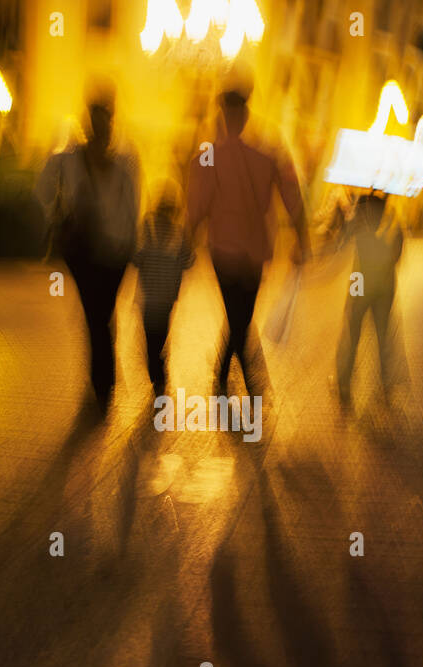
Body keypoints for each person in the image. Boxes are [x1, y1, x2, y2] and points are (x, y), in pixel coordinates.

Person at [186, 66, 311, 402]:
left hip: (224, 249)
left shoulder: (208, 156)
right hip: (254, 249)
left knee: (237, 316)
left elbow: (198, 205)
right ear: (246, 111)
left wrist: (187, 238)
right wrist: (303, 237)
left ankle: (225, 376)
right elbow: (293, 196)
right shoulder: (268, 151)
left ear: (225, 113)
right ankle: (246, 381)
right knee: (240, 315)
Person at [35, 78, 141, 417]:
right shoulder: (69, 159)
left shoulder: (125, 161)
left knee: (101, 314)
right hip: (83, 250)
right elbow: (42, 189)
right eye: (97, 119)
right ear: (90, 122)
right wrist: (57, 213)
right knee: (96, 315)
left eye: (105, 119)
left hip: (116, 252)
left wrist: (128, 242)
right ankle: (104, 382)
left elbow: (133, 204)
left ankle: (104, 379)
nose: (101, 126)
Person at [333, 190, 406, 409]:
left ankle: (344, 383)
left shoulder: (359, 216)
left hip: (360, 282)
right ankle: (386, 384)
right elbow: (398, 254)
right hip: (385, 285)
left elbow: (342, 239)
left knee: (352, 331)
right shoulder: (393, 221)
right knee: (383, 335)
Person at [133, 182, 194, 398]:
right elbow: (188, 261)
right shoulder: (178, 235)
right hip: (166, 296)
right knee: (160, 335)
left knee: (151, 335)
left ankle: (155, 367)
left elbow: (136, 259)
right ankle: (158, 367)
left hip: (151, 295)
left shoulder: (147, 230)